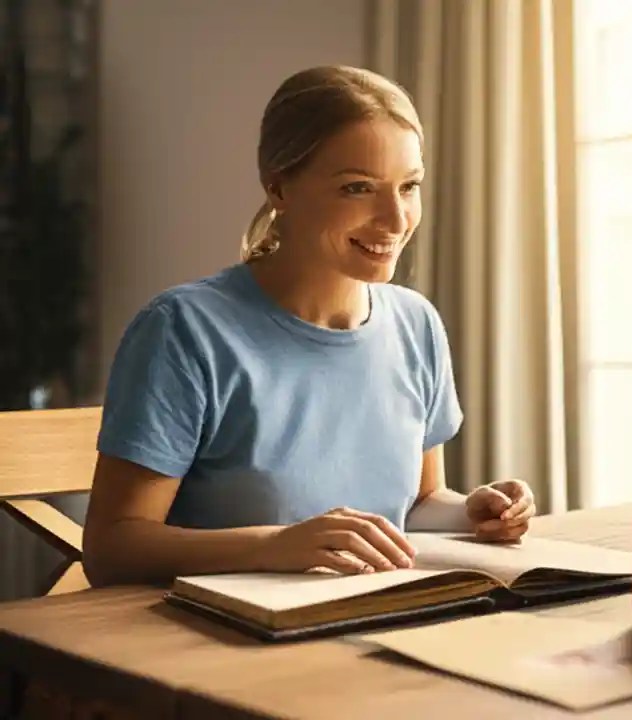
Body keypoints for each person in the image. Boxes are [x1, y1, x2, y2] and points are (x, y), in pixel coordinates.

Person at [82, 66, 536, 587]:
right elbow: (111, 548)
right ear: (279, 187)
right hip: (220, 647)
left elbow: (418, 501)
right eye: (358, 188)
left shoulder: (417, 324)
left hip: (370, 624)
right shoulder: (183, 331)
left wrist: (472, 514)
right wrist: (275, 545)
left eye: (409, 187)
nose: (395, 219)